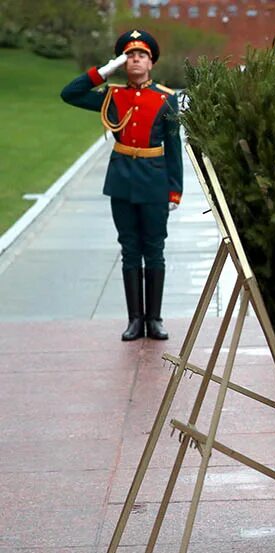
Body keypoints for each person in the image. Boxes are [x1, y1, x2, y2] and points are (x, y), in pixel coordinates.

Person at [61, 29, 181, 341]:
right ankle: (135, 320)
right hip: (123, 181)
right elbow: (70, 94)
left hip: (154, 181)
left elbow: (174, 147)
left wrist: (174, 190)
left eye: (141, 55)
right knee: (129, 249)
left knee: (154, 249)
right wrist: (104, 71)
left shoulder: (166, 99)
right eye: (130, 56)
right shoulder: (112, 96)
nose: (135, 60)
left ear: (151, 63)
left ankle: (154, 319)